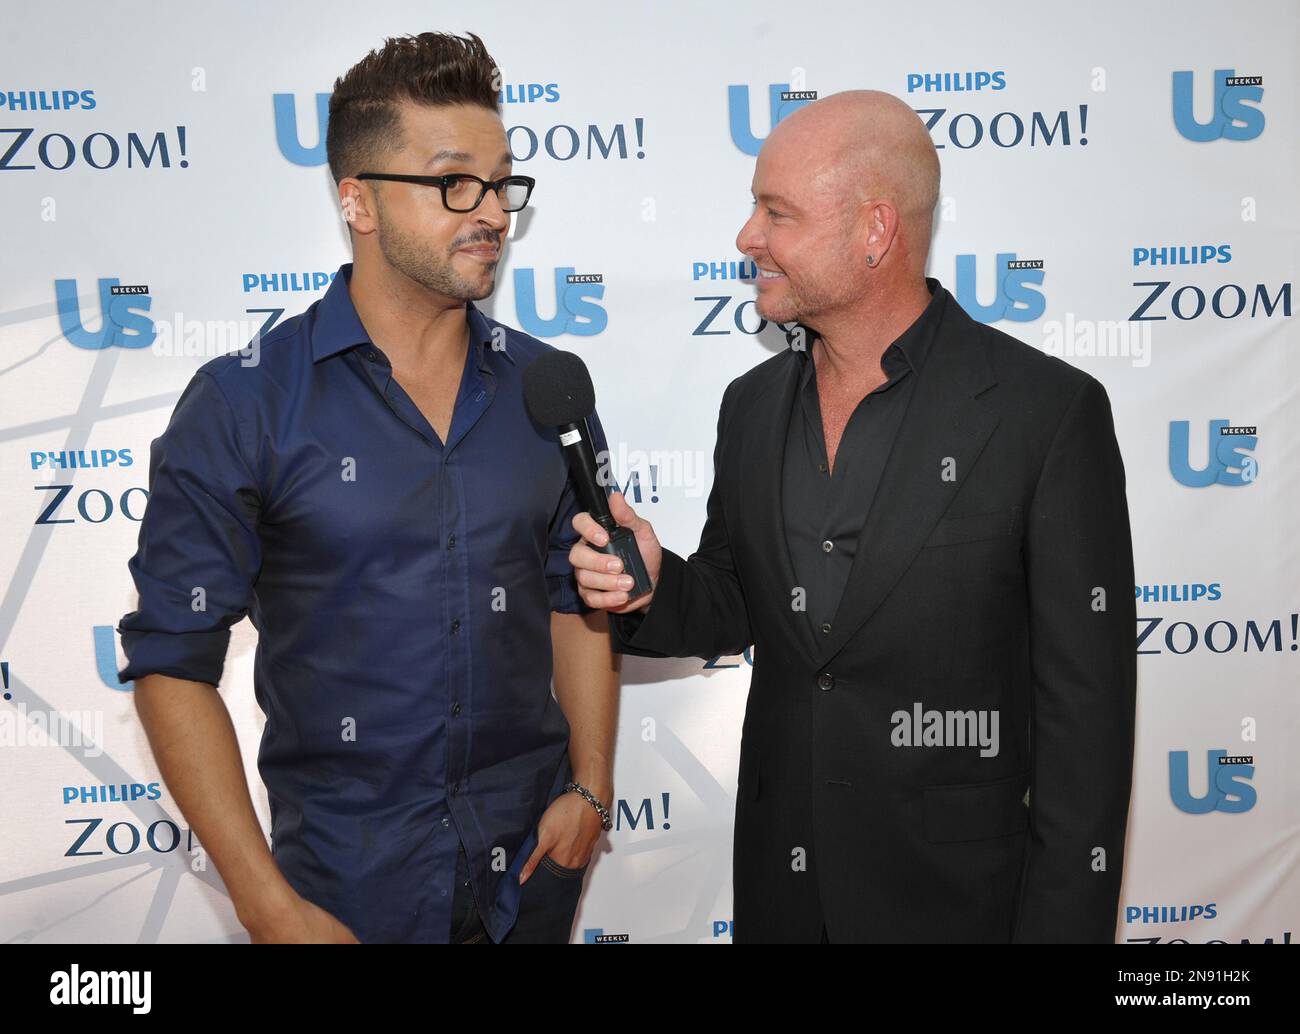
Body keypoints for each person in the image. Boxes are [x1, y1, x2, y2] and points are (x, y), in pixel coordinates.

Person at [568, 90, 1136, 943]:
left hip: (961, 906)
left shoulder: (1043, 415)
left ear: (875, 231)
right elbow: (736, 600)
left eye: (776, 212)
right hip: (784, 893)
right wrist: (651, 587)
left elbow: (1085, 734)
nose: (746, 237)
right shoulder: (752, 406)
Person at [117, 31, 618, 944]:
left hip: (534, 872)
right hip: (343, 900)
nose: (493, 212)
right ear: (358, 203)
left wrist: (591, 782)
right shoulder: (247, 403)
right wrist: (264, 904)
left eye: (503, 182)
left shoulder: (549, 388)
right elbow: (170, 661)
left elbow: (575, 594)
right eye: (454, 183)